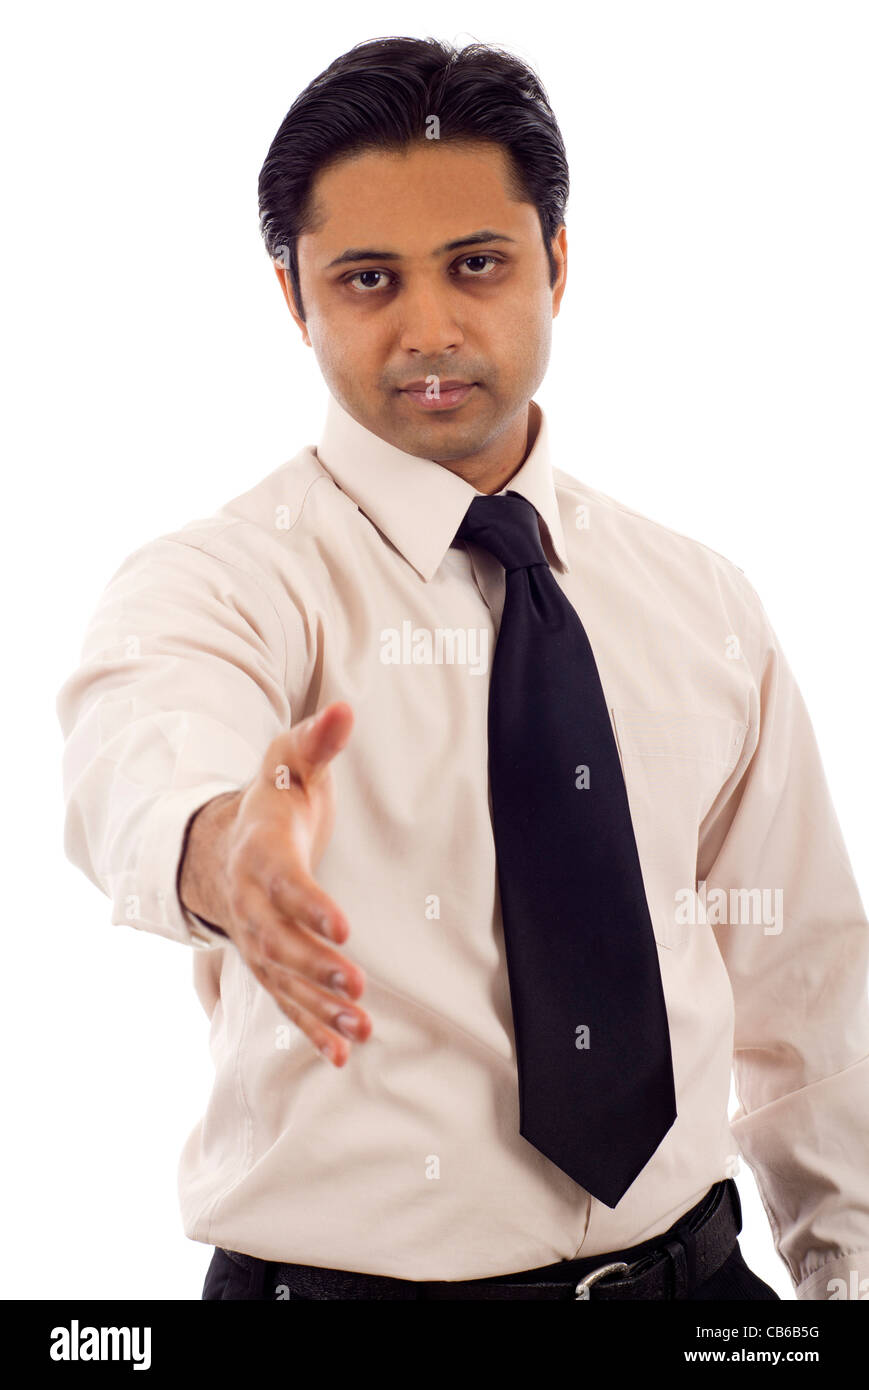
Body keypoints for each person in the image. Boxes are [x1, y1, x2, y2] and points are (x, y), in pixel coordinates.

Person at [56, 36, 869, 1302]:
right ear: (294, 297)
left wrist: (841, 1280)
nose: (428, 328)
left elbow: (806, 982)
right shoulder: (222, 581)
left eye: (475, 265)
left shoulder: (699, 601)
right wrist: (228, 853)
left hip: (698, 1293)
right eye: (367, 279)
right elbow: (143, 743)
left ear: (556, 261)